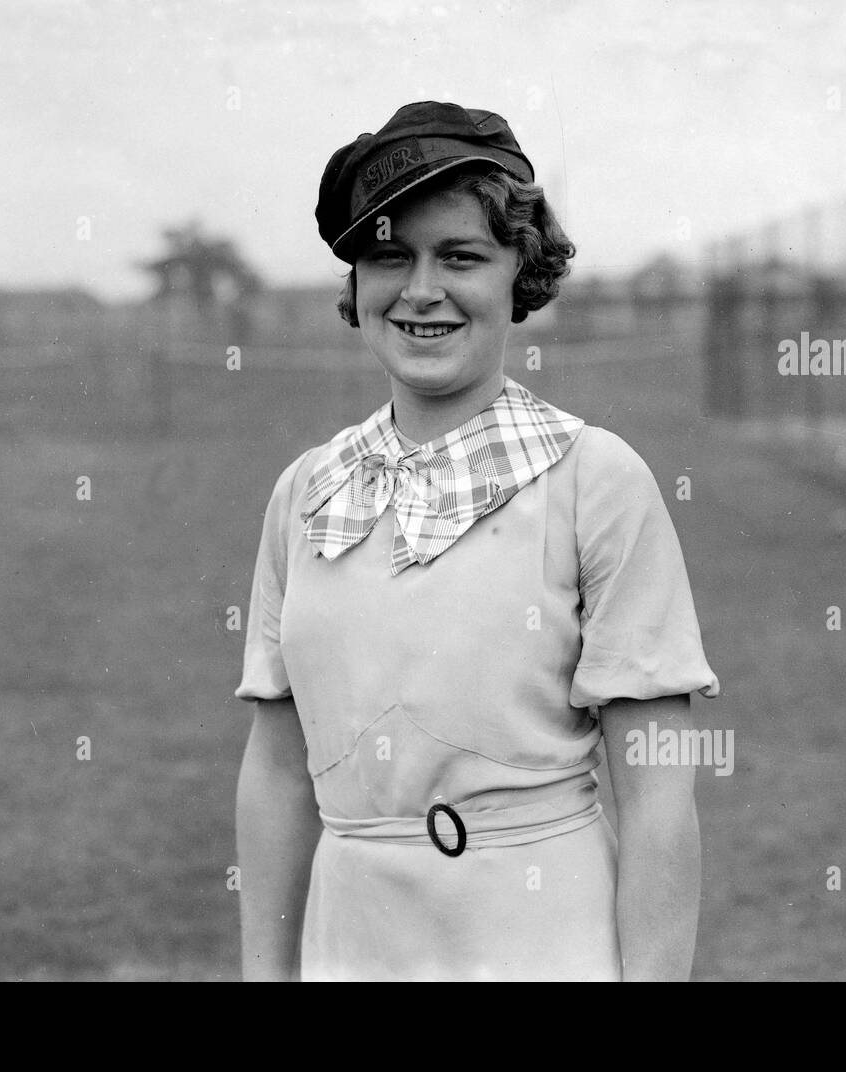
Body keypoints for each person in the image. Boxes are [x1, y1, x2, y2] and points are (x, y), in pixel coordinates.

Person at [234, 101, 719, 982]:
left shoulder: (595, 479)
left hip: (543, 937)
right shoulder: (305, 491)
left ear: (518, 276)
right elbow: (276, 772)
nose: (422, 290)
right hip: (351, 945)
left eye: (460, 255)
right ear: (354, 284)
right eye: (389, 257)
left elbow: (657, 794)